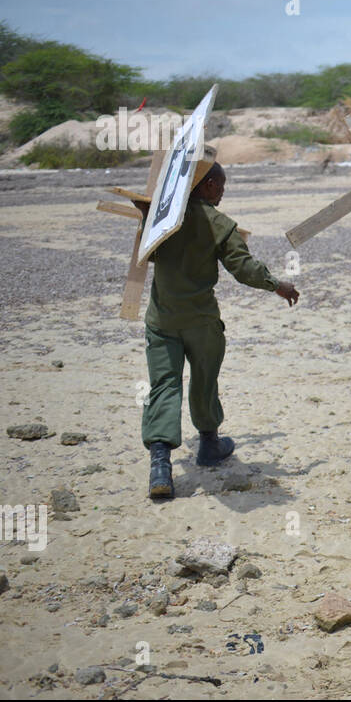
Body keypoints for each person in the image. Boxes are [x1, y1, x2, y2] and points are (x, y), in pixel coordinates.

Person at [142, 155, 299, 500]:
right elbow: (243, 268)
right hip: (201, 321)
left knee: (164, 386)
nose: (223, 193)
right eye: (222, 186)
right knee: (204, 378)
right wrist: (278, 285)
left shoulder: (161, 218)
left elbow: (148, 255)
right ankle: (209, 445)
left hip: (162, 320)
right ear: (209, 185)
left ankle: (160, 467)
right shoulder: (220, 224)